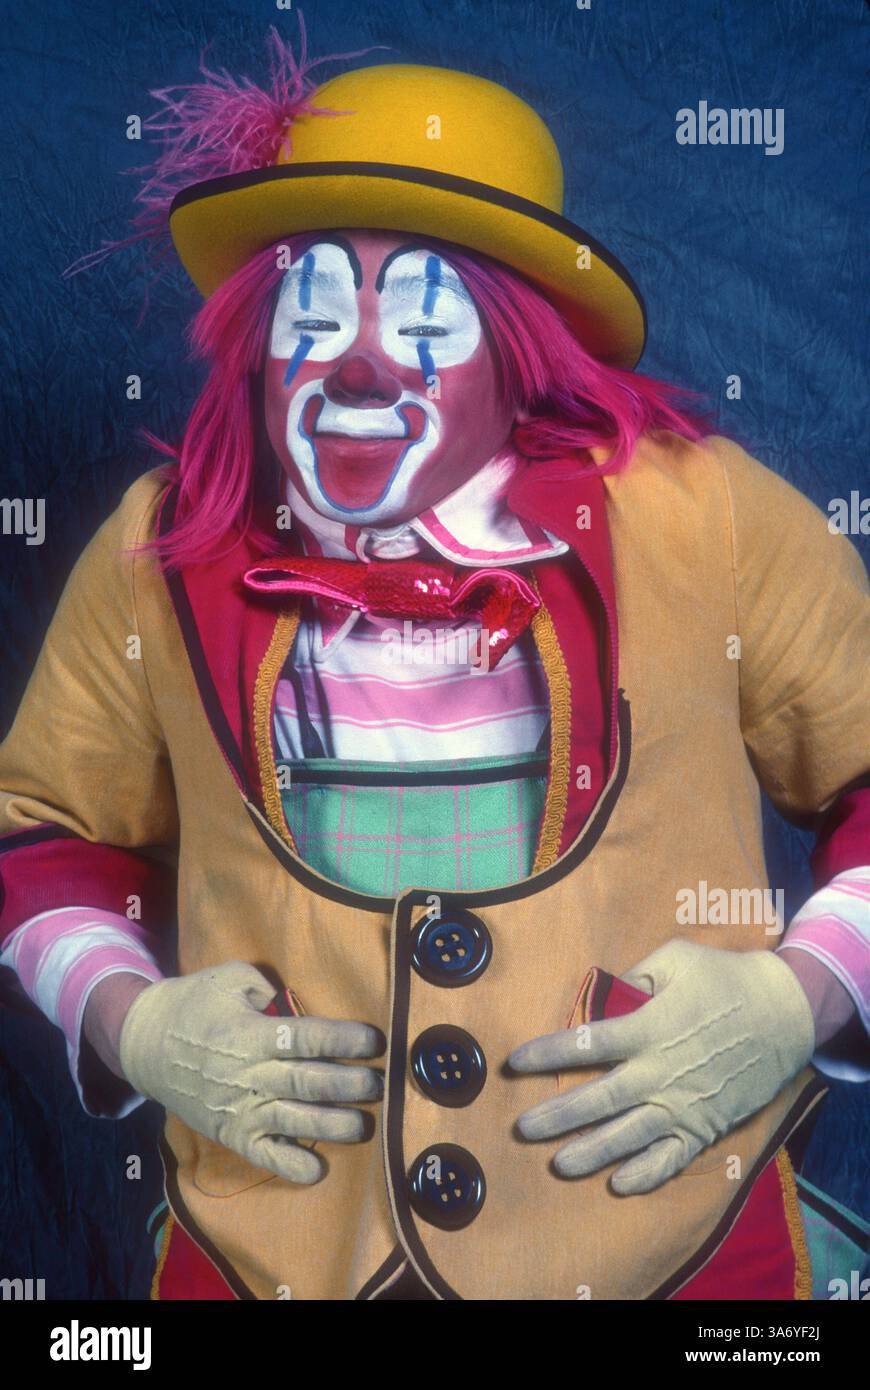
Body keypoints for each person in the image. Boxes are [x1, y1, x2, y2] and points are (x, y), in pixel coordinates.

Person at [1, 33, 868, 1301]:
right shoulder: (157, 545)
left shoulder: (705, 517)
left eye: (421, 313)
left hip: (678, 1255)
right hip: (267, 1258)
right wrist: (134, 1024)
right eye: (310, 309)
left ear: (520, 342)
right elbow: (42, 836)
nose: (358, 362)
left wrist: (803, 996)